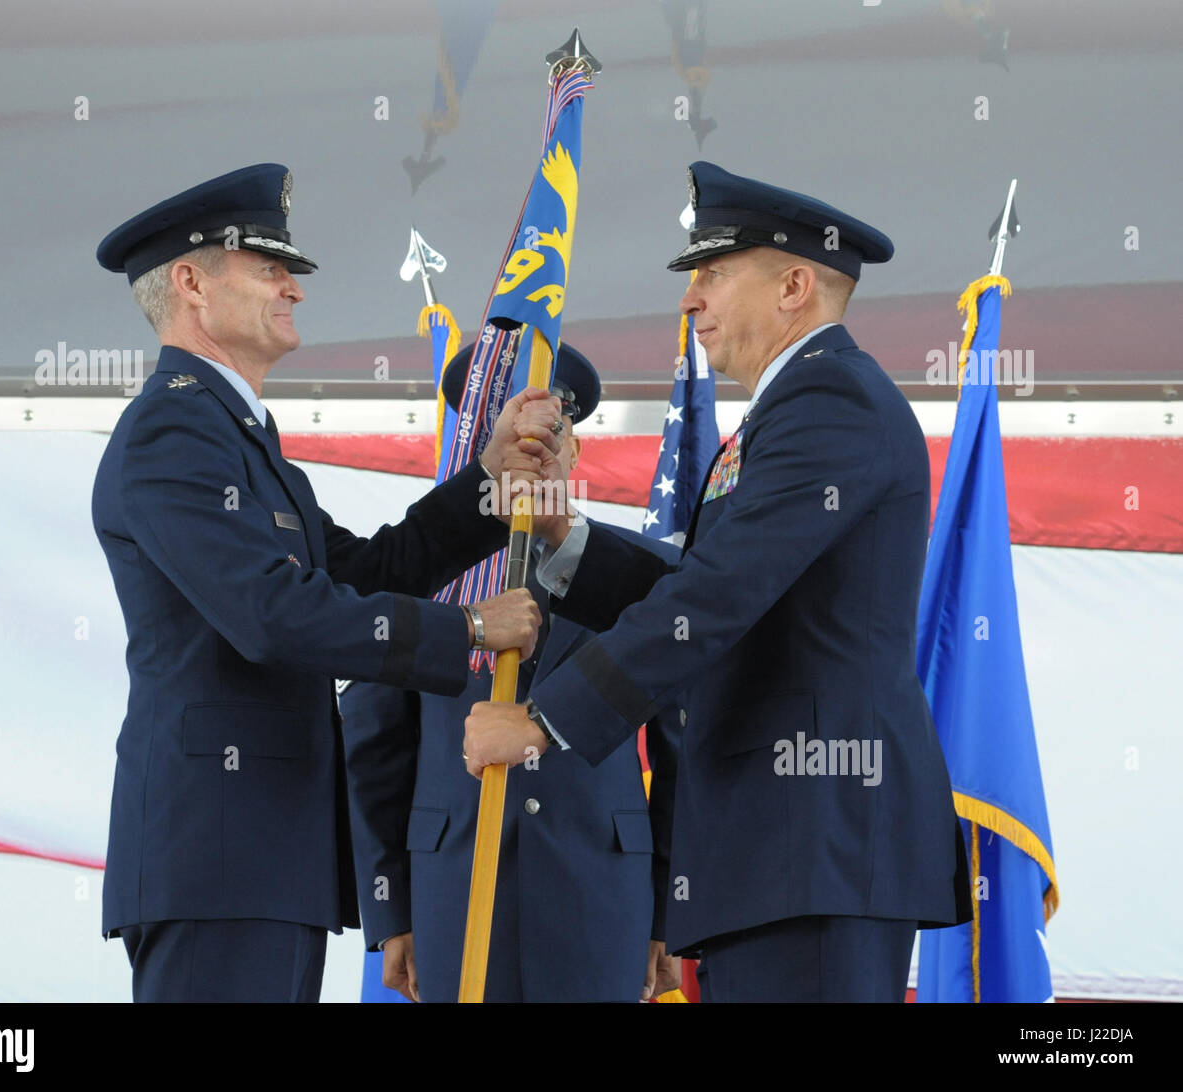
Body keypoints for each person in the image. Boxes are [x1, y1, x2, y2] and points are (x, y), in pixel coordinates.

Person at [463, 161, 973, 1003]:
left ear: (795, 286)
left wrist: (543, 723)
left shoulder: (828, 404)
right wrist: (567, 538)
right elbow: (713, 583)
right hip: (781, 852)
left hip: (817, 842)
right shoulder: (800, 405)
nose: (689, 300)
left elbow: (718, 597)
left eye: (712, 273)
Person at [91, 162, 558, 1002]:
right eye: (270, 268)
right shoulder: (173, 431)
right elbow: (272, 616)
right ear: (192, 283)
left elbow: (366, 569)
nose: (294, 290)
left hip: (265, 858)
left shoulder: (235, 435)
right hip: (221, 860)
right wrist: (471, 632)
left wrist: (490, 484)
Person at [340, 343, 684, 1003]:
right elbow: (375, 742)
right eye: (512, 440)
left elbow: (683, 748)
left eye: (550, 437)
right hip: (452, 892)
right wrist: (390, 910)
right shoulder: (416, 570)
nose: (533, 456)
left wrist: (669, 910)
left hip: (604, 895)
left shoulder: (647, 575)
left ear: (578, 452)